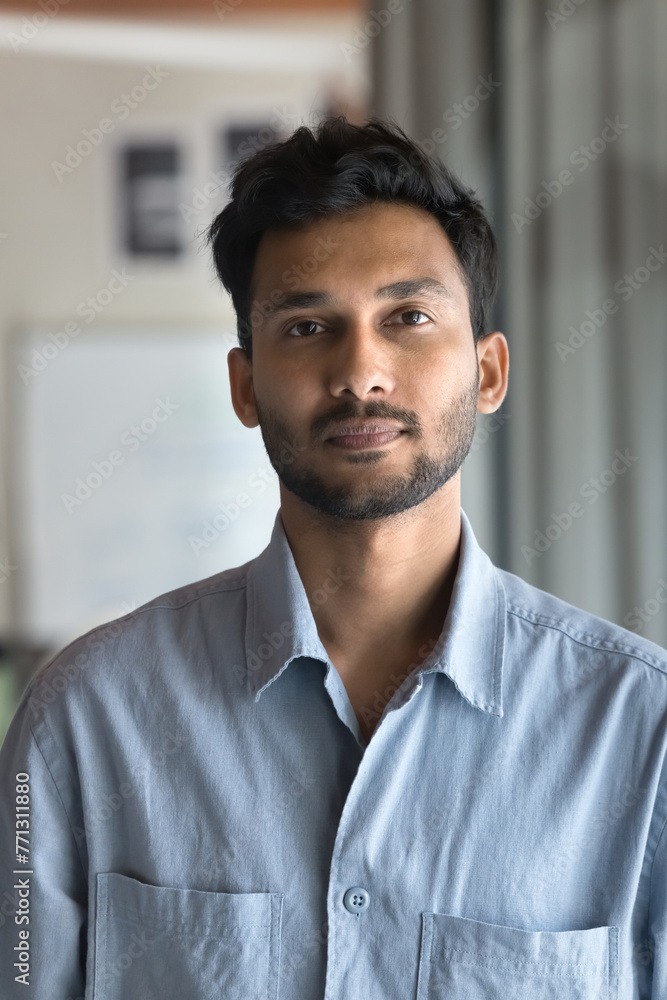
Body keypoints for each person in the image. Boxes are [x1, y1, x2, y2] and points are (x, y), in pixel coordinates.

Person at [0, 115, 666, 999]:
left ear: (489, 372)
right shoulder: (85, 720)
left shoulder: (640, 735)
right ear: (244, 386)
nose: (362, 371)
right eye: (308, 327)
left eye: (409, 317)